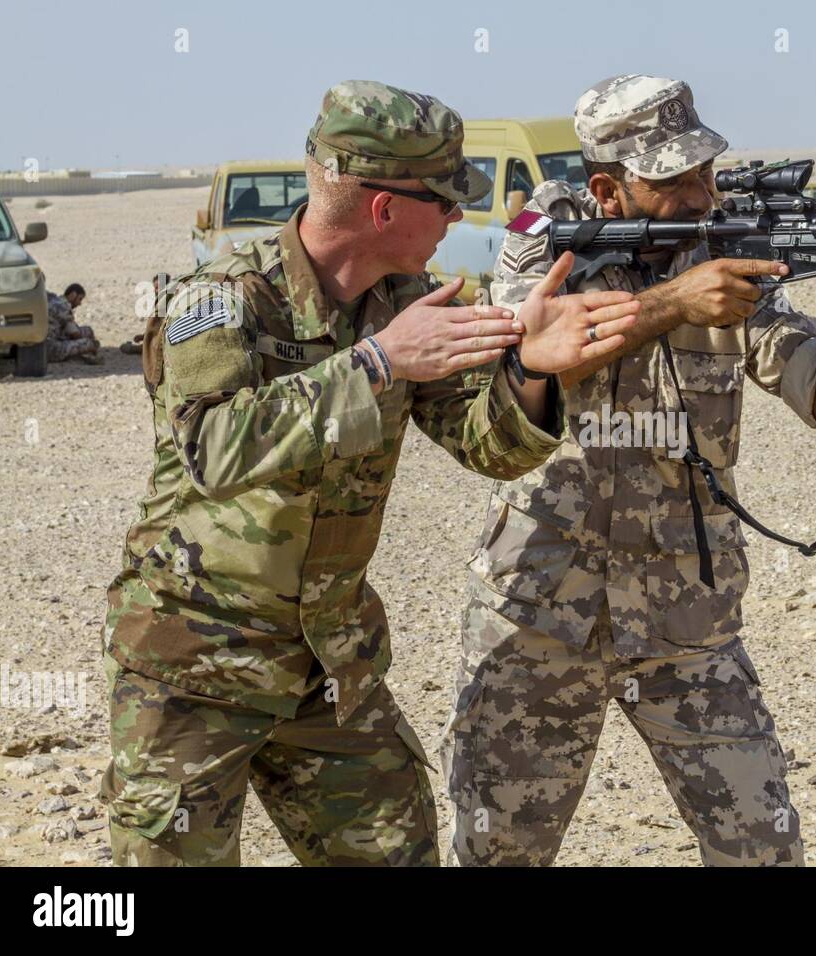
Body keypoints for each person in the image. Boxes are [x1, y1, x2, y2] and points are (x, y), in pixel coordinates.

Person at [98, 79, 639, 867]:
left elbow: (487, 445)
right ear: (385, 210)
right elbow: (212, 449)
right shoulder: (222, 299)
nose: (460, 217)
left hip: (327, 668)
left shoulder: (408, 300)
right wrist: (378, 363)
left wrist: (530, 367)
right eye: (447, 201)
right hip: (190, 674)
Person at [444, 74, 816, 866]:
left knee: (762, 852)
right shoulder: (543, 226)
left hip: (686, 625)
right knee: (498, 855)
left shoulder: (725, 257)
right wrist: (675, 302)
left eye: (705, 170)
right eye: (674, 180)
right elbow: (543, 335)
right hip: (538, 619)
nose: (702, 193)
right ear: (607, 187)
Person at [46, 282, 102, 364]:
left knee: (87, 331)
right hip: (50, 350)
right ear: (73, 295)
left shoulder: (55, 301)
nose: (80, 303)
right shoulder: (63, 306)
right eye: (79, 299)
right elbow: (75, 334)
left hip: (45, 344)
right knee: (88, 343)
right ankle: (89, 357)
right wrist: (88, 346)